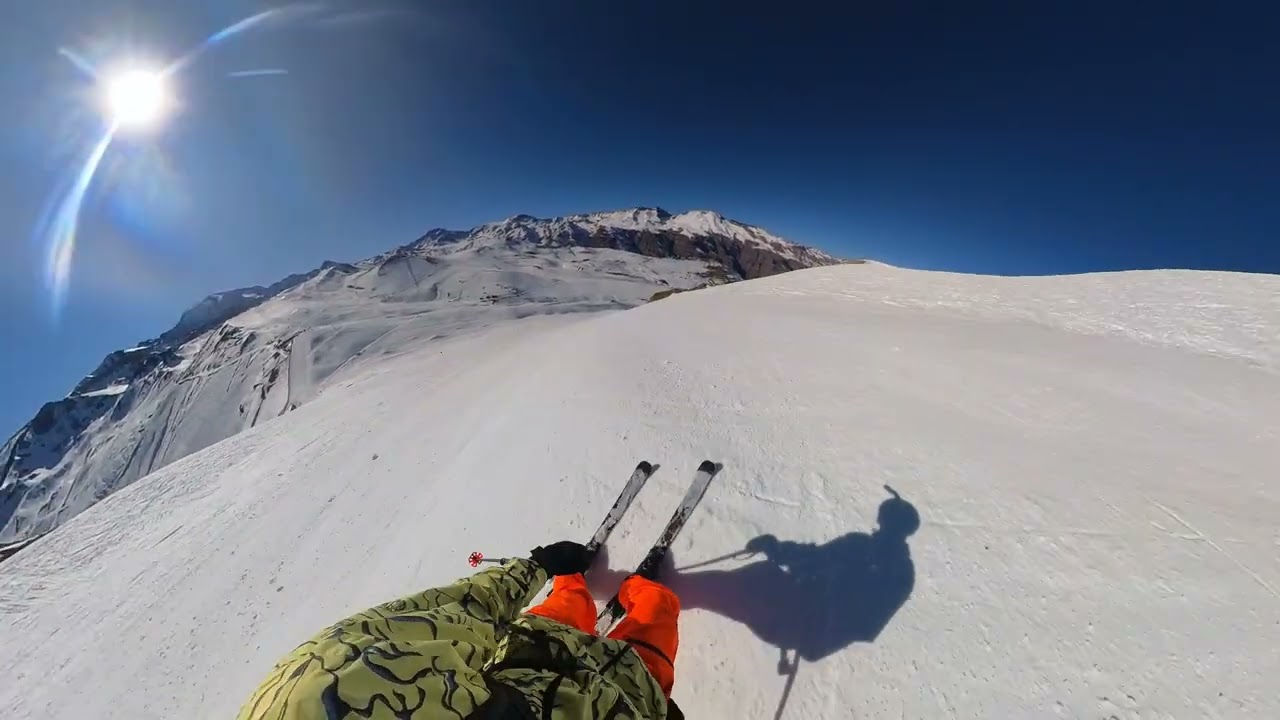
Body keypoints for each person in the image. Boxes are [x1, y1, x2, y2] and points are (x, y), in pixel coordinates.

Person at [235, 541, 684, 719]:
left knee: (641, 624)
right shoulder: (311, 673)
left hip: (554, 661)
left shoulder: (326, 672)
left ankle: (593, 587)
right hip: (551, 657)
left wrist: (537, 567)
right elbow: (461, 611)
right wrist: (538, 567)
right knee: (648, 618)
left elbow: (460, 613)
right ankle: (624, 588)